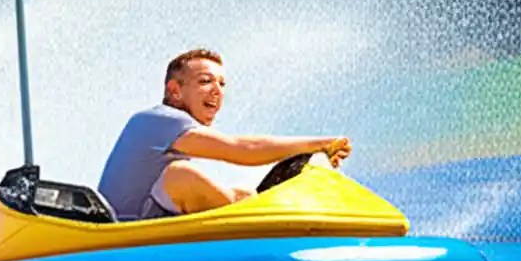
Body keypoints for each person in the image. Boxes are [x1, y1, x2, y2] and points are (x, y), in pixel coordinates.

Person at [97, 48, 352, 221]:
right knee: (181, 176)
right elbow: (242, 149)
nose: (217, 91)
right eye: (206, 81)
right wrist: (319, 143)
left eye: (222, 84)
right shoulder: (159, 119)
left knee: (241, 192)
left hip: (146, 226)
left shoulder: (161, 126)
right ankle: (260, 223)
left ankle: (257, 210)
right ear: (175, 91)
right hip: (127, 237)